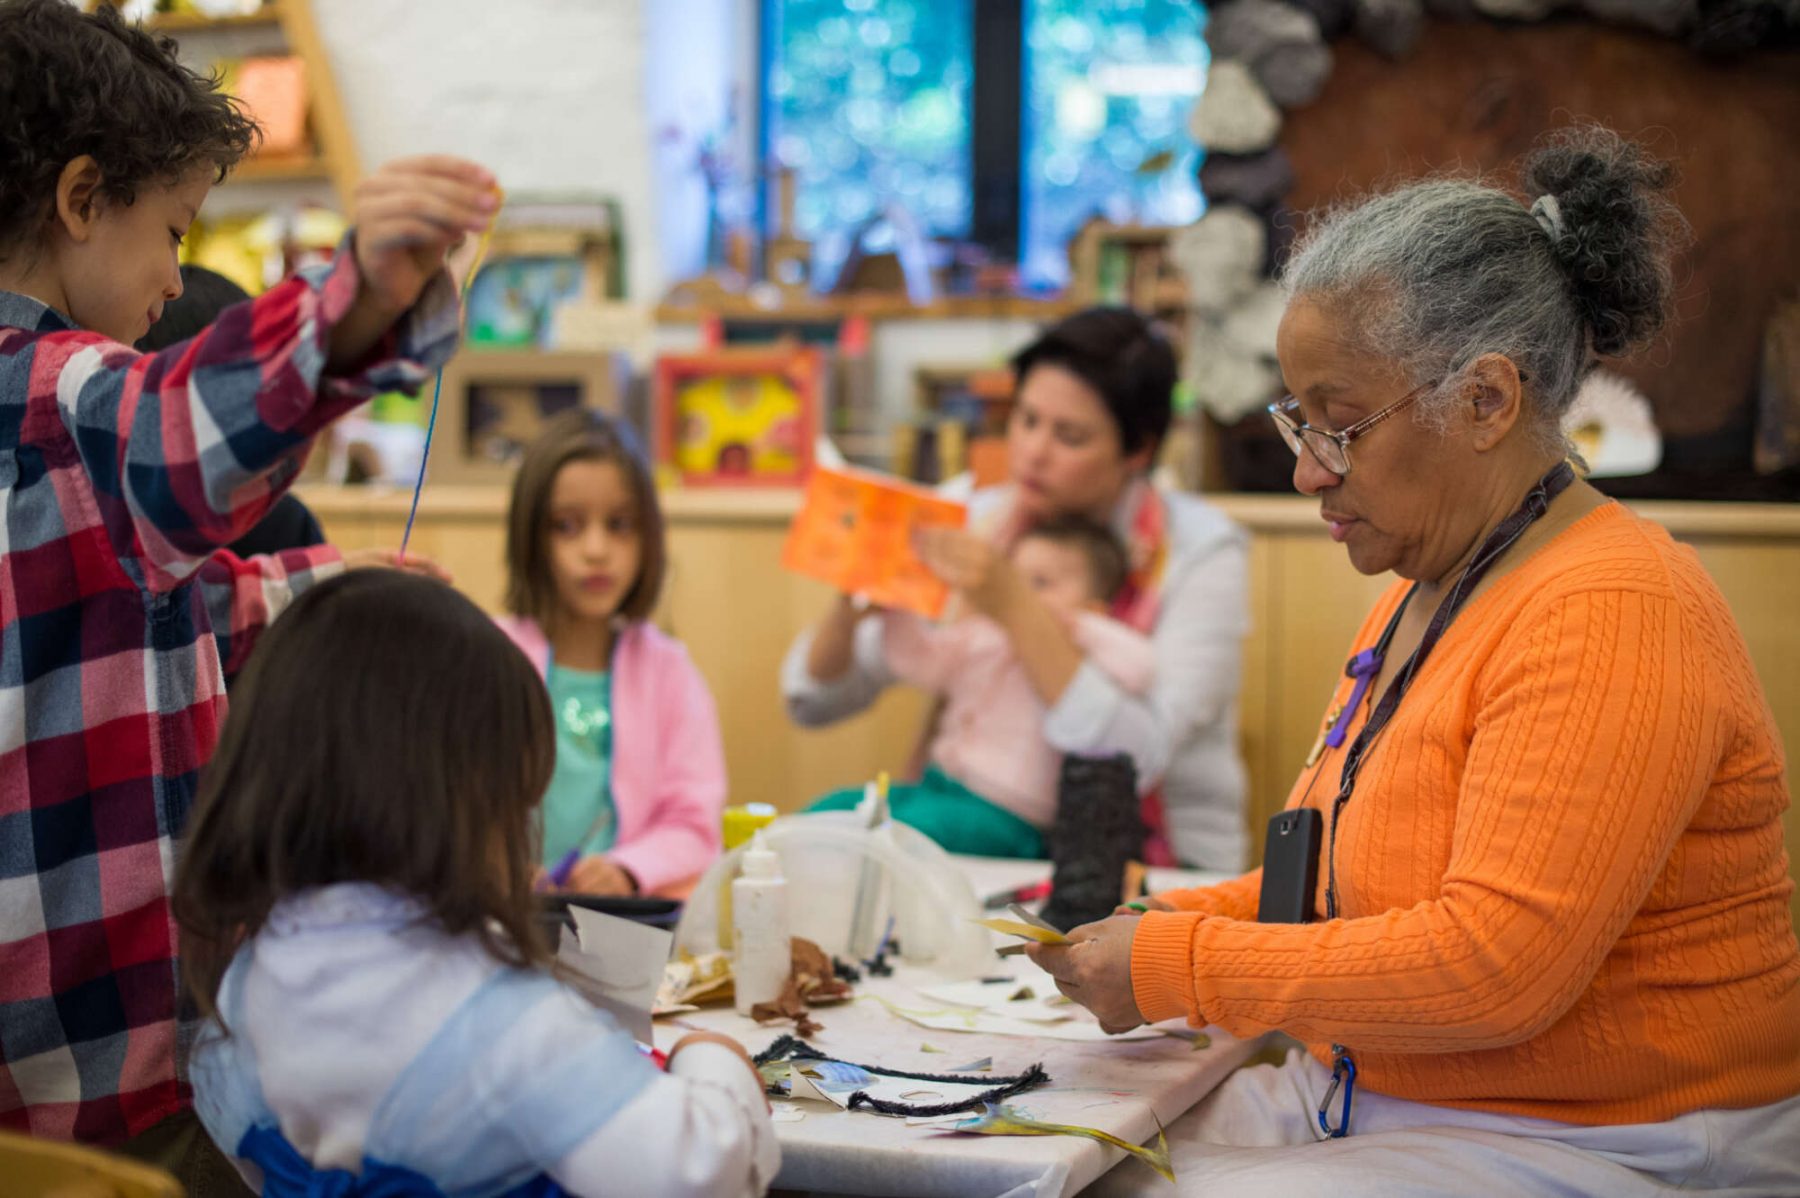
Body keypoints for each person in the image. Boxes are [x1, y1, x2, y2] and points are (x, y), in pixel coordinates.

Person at [1028, 126, 1800, 1197]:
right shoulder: (1425, 586)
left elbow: (1493, 971)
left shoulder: (1614, 604)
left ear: (1487, 401)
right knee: (1045, 1152)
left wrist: (1175, 963)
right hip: (1404, 1094)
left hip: (1606, 1136)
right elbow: (1344, 885)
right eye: (1297, 420)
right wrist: (1169, 924)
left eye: (1339, 427)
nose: (1307, 471)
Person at [0, 0, 471, 1178]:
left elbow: (109, 623)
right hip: (120, 1088)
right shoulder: (67, 400)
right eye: (173, 228)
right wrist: (351, 301)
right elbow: (173, 426)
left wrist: (328, 583)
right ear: (77, 199)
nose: (175, 274)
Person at [174, 570, 779, 1197]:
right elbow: (699, 1175)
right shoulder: (505, 1026)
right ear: (463, 804)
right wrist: (713, 1062)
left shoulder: (243, 990)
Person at [784, 307, 1250, 869]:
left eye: (1069, 436)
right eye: (1026, 420)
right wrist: (853, 609)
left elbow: (1135, 759)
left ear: (1138, 452)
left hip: (1166, 866)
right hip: (973, 826)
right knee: (823, 835)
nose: (1033, 452)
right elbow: (814, 703)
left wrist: (1015, 604)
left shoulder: (1201, 553)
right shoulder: (982, 520)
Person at [808, 516, 1154, 858]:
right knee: (833, 809)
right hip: (937, 786)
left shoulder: (1084, 651)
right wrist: (899, 609)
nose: (1016, 595)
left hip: (1009, 815)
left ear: (1094, 607)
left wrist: (1079, 626)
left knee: (903, 833)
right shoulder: (984, 635)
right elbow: (918, 662)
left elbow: (1140, 667)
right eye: (1013, 579)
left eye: (1041, 583)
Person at [495, 409, 727, 898]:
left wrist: (627, 869)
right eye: (566, 526)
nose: (596, 549)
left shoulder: (669, 671)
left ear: (650, 539)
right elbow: (447, 805)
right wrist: (495, 870)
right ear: (529, 538)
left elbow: (695, 824)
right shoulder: (489, 660)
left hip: (632, 927)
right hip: (506, 922)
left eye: (620, 524)